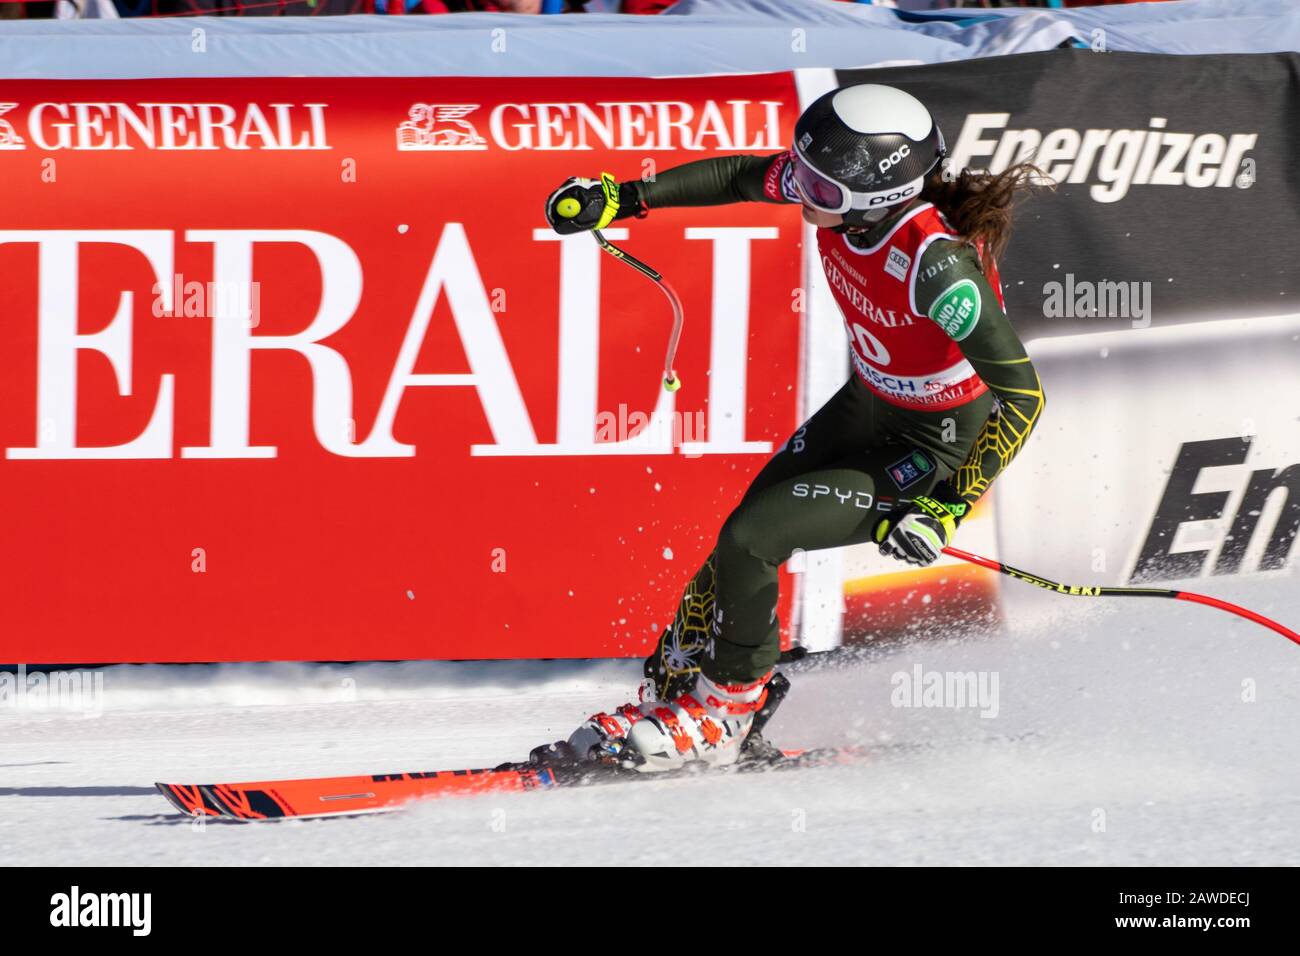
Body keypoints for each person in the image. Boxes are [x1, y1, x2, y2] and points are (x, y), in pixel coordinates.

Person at [544, 83, 1046, 772]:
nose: (800, 189)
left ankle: (724, 716)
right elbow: (740, 175)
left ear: (875, 196)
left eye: (822, 186)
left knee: (754, 539)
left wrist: (946, 505)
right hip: (869, 402)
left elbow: (1021, 396)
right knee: (735, 542)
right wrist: (626, 198)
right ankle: (677, 698)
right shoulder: (843, 203)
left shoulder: (937, 267)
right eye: (804, 172)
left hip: (932, 445)